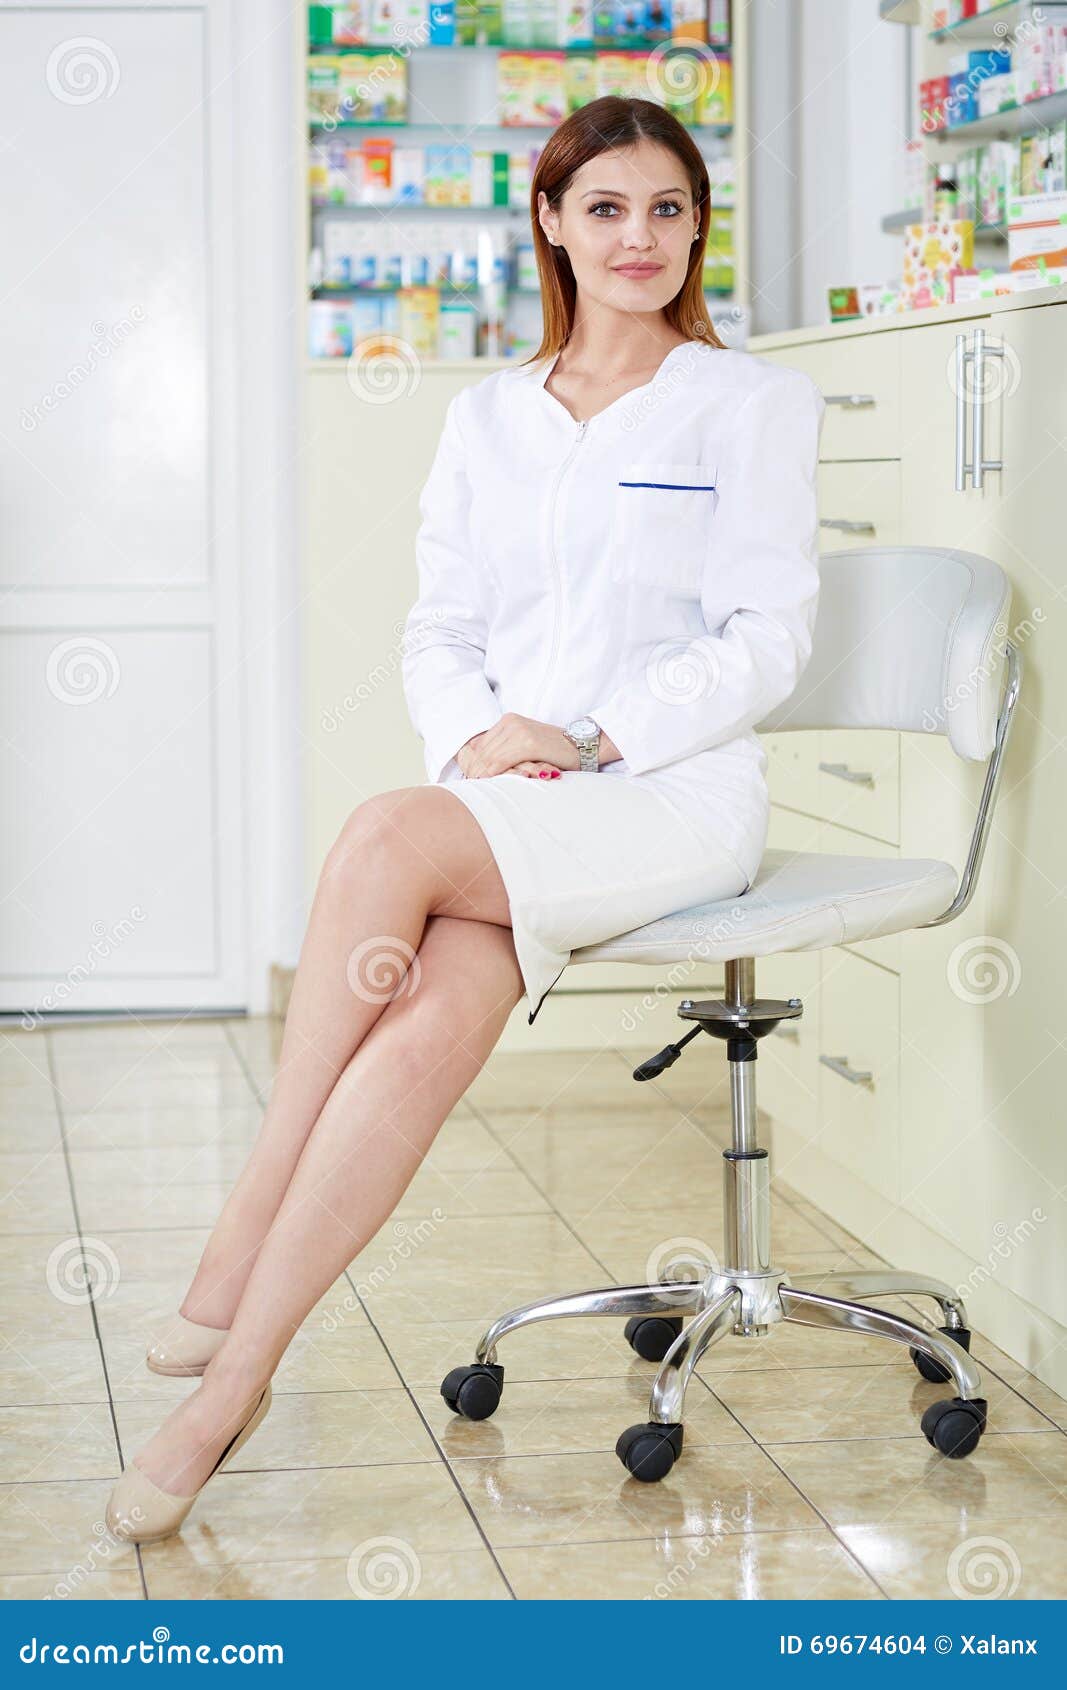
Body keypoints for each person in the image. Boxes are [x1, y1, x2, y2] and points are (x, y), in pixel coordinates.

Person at [105, 94, 824, 1544]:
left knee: (385, 838)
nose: (641, 238)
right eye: (607, 207)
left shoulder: (749, 403)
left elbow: (770, 638)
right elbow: (439, 631)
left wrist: (586, 735)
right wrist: (485, 757)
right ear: (552, 220)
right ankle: (234, 1379)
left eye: (670, 209)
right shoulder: (486, 416)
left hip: (665, 790)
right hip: (507, 799)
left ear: (700, 228)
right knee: (431, 1008)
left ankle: (246, 1223)